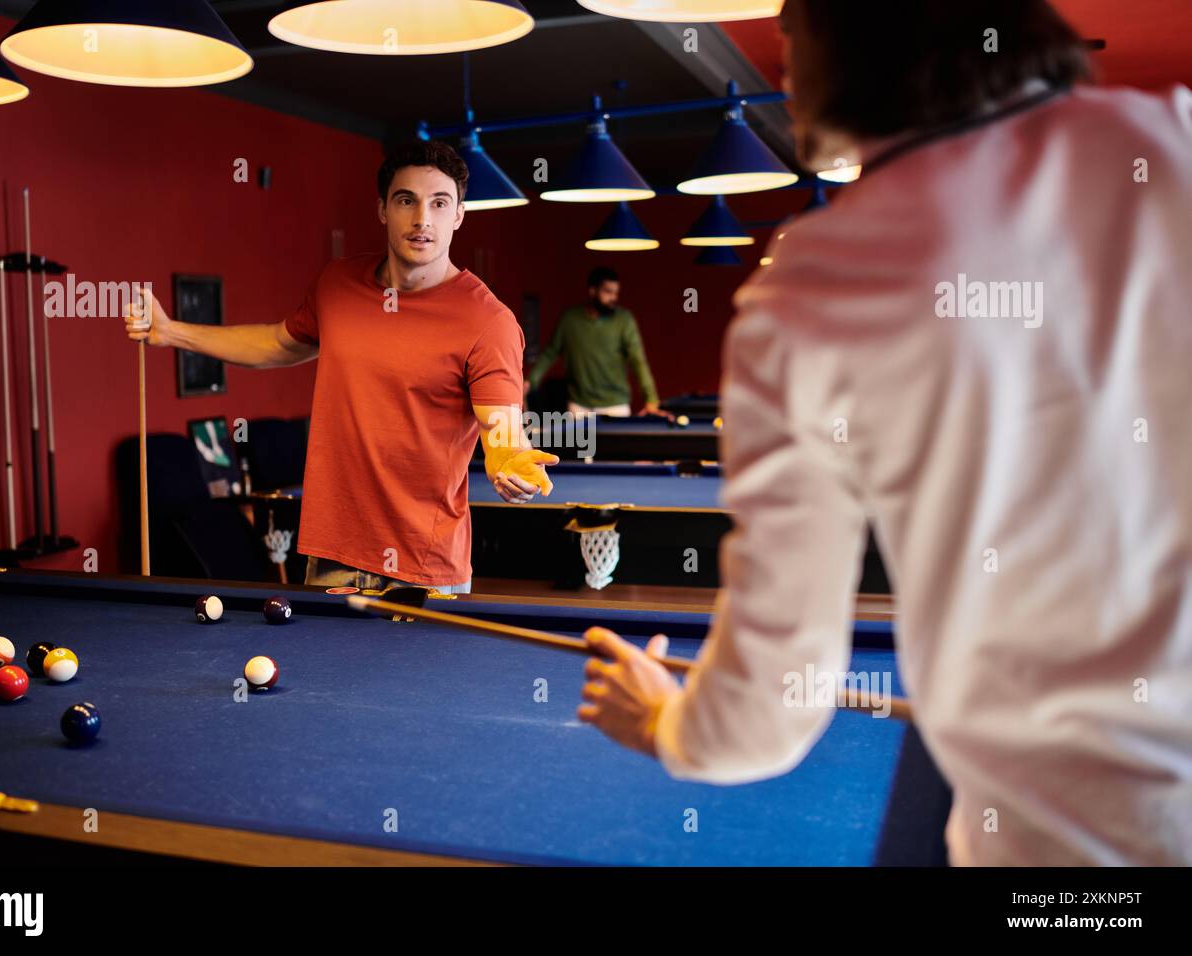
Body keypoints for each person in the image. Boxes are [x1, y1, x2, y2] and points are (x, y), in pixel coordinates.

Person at [577, 0, 1192, 865]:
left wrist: (666, 723)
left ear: (848, 36)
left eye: (792, 34)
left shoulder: (811, 286)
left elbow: (773, 707)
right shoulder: (1175, 139)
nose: (784, 73)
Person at [125, 141, 557, 593]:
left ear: (459, 216)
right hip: (332, 553)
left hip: (423, 568)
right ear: (383, 210)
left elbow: (501, 422)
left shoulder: (489, 320)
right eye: (406, 200)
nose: (422, 219)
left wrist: (509, 456)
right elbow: (277, 343)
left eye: (439, 203)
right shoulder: (337, 285)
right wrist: (170, 332)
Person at [526, 267, 666, 418]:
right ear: (592, 291)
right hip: (579, 406)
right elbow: (550, 353)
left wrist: (651, 399)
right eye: (608, 292)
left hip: (615, 406)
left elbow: (638, 361)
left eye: (616, 293)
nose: (614, 297)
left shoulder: (624, 320)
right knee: (578, 442)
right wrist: (529, 382)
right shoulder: (570, 319)